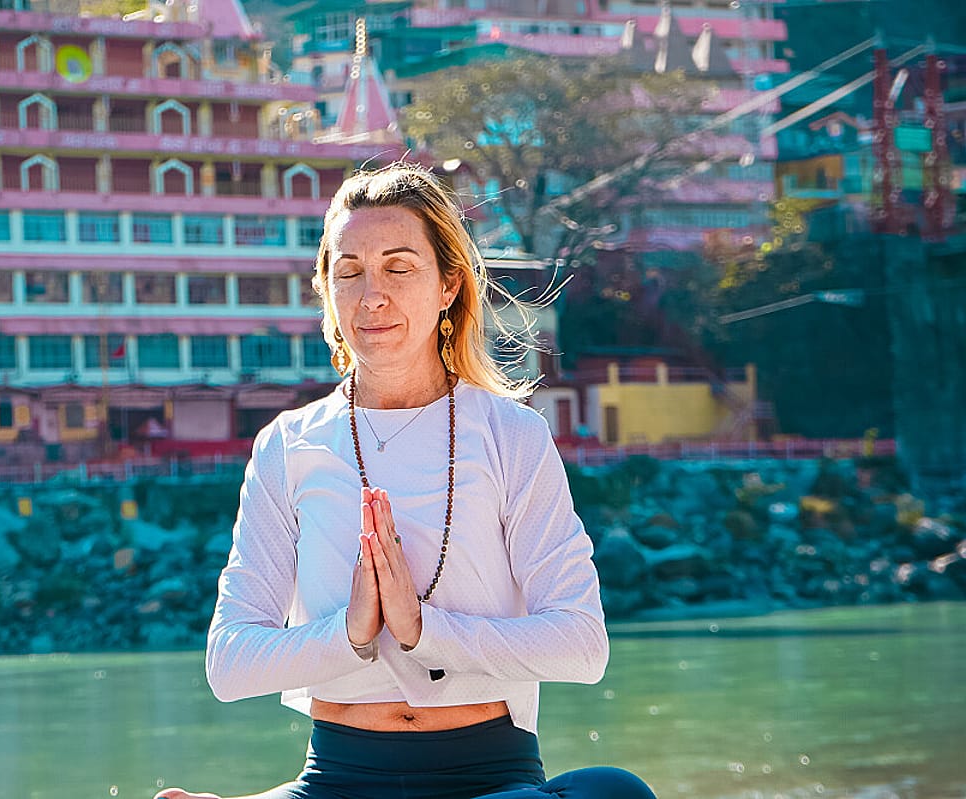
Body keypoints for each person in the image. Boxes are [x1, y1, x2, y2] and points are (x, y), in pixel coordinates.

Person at [156, 163, 656, 799]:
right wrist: (351, 631)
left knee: (616, 793)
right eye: (350, 271)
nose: (372, 296)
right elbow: (229, 662)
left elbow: (582, 647)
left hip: (490, 779)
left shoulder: (511, 435)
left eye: (399, 267)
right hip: (337, 779)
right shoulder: (287, 444)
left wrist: (422, 630)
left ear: (448, 284)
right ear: (326, 289)